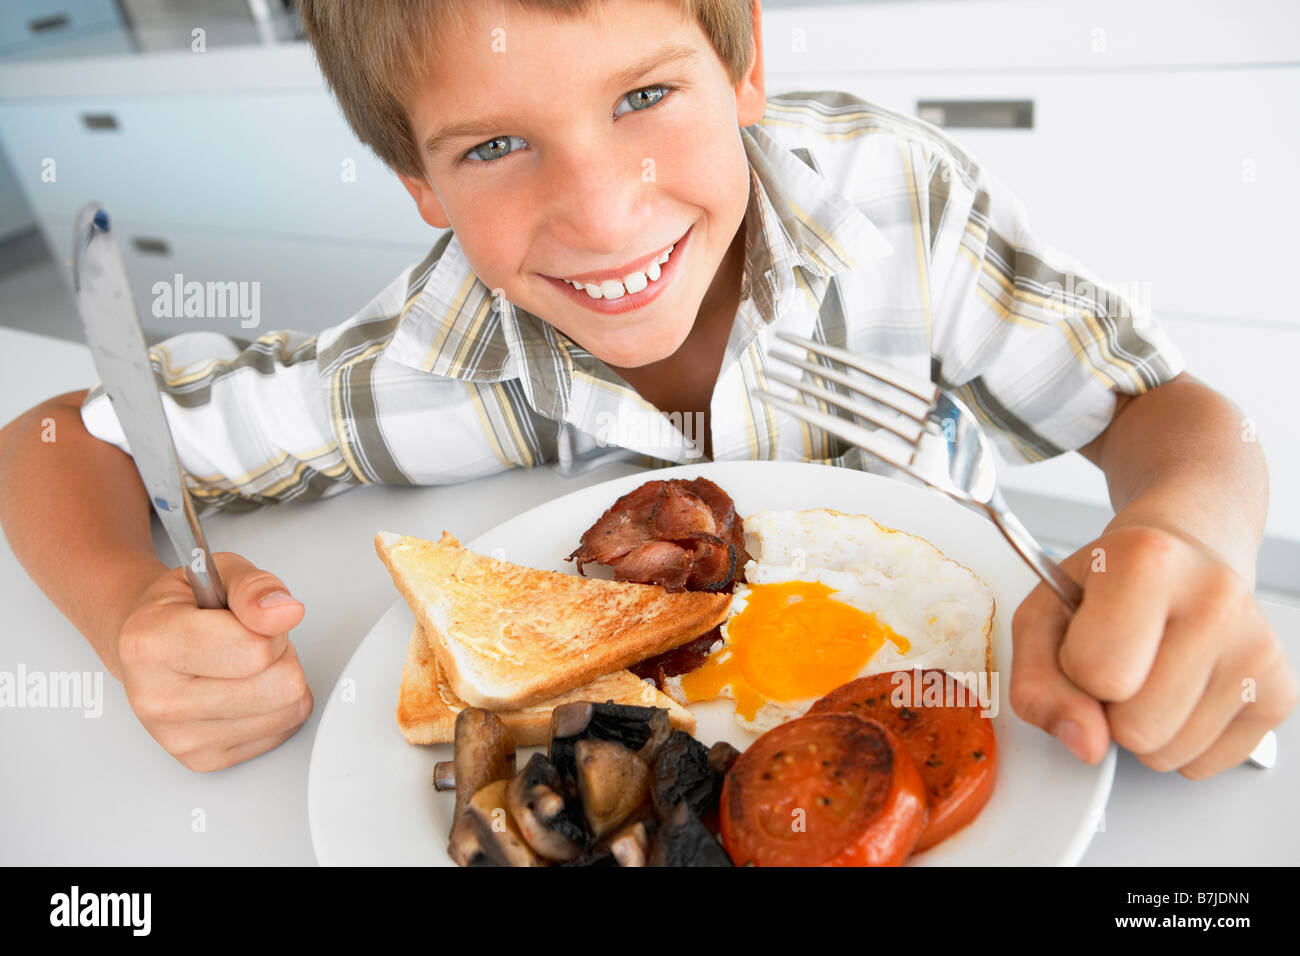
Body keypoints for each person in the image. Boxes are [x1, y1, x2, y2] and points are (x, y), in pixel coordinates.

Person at [0, 0, 1292, 776]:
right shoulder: (426, 367)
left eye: (647, 95)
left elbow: (1165, 415)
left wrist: (1180, 537)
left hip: (1009, 707)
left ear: (743, 75)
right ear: (423, 190)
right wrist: (129, 617)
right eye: (496, 145)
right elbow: (57, 432)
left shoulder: (895, 204)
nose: (604, 211)